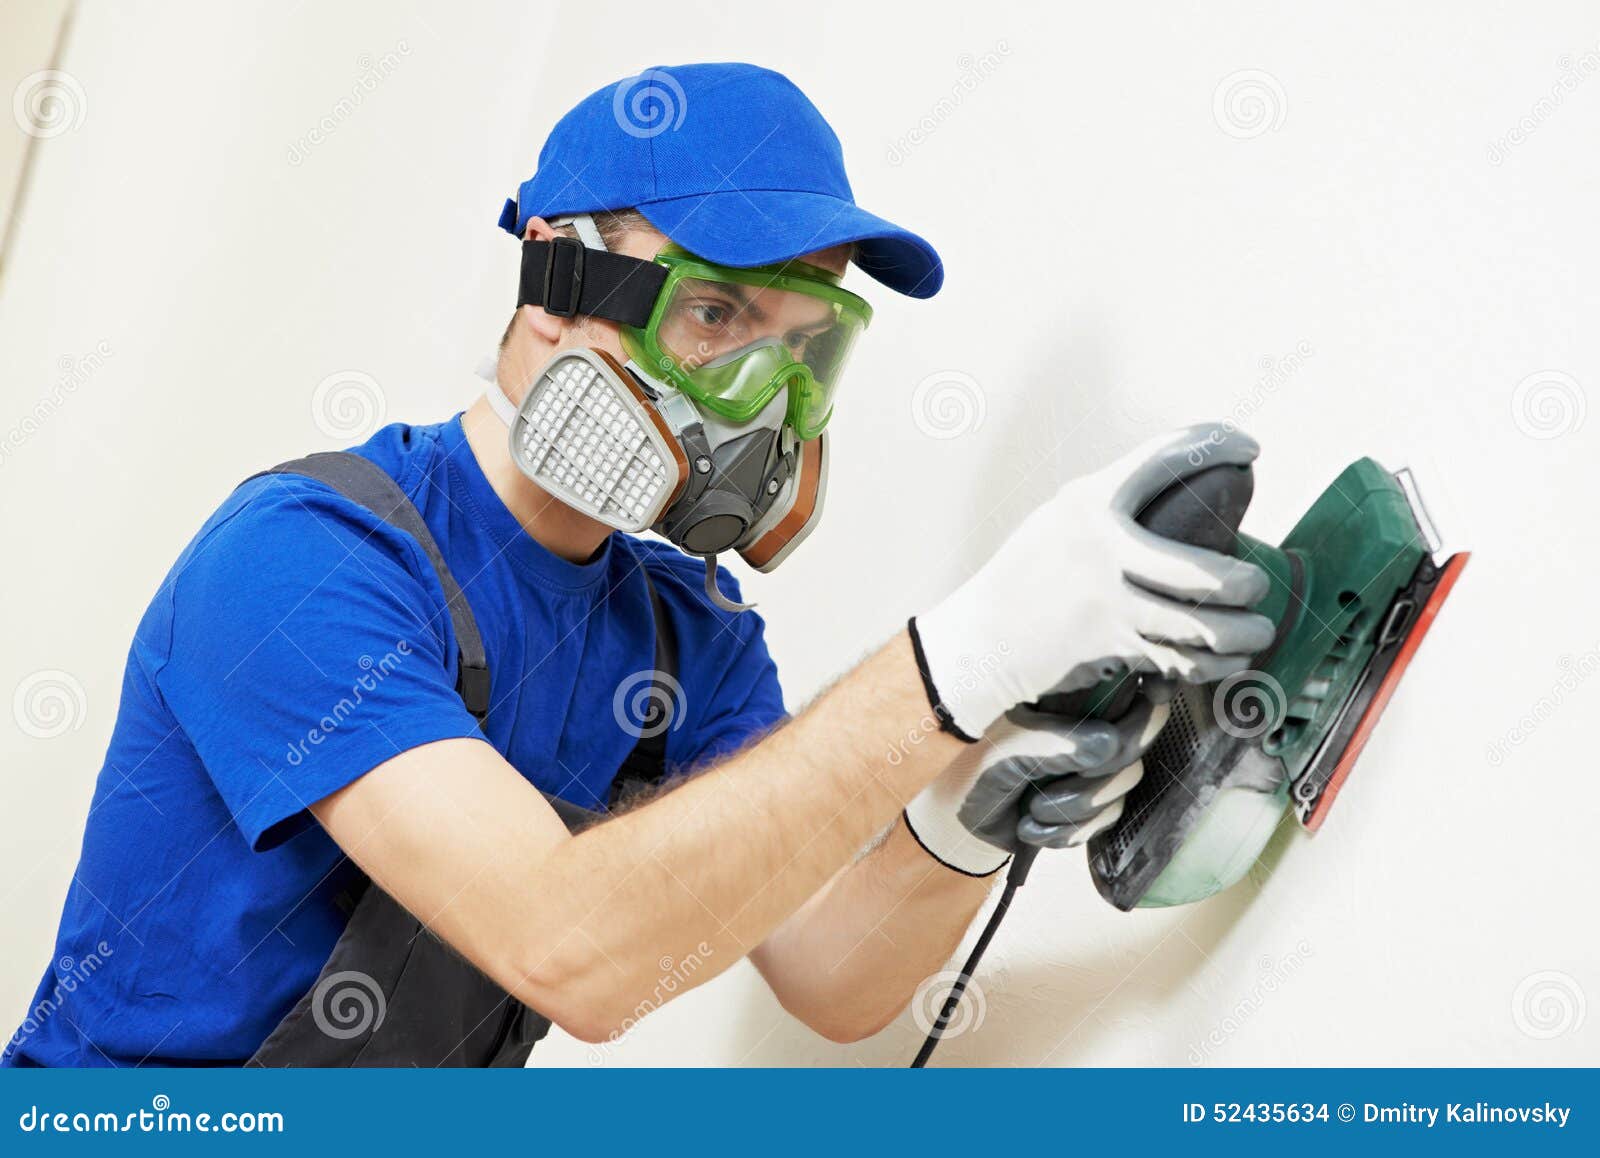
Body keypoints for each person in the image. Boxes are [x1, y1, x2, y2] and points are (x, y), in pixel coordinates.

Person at [4, 63, 1272, 1067]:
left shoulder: (686, 638)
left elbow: (833, 978)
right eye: (713, 315)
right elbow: (568, 945)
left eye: (802, 347)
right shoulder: (307, 556)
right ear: (553, 280)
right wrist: (962, 658)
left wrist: (954, 824)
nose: (754, 398)